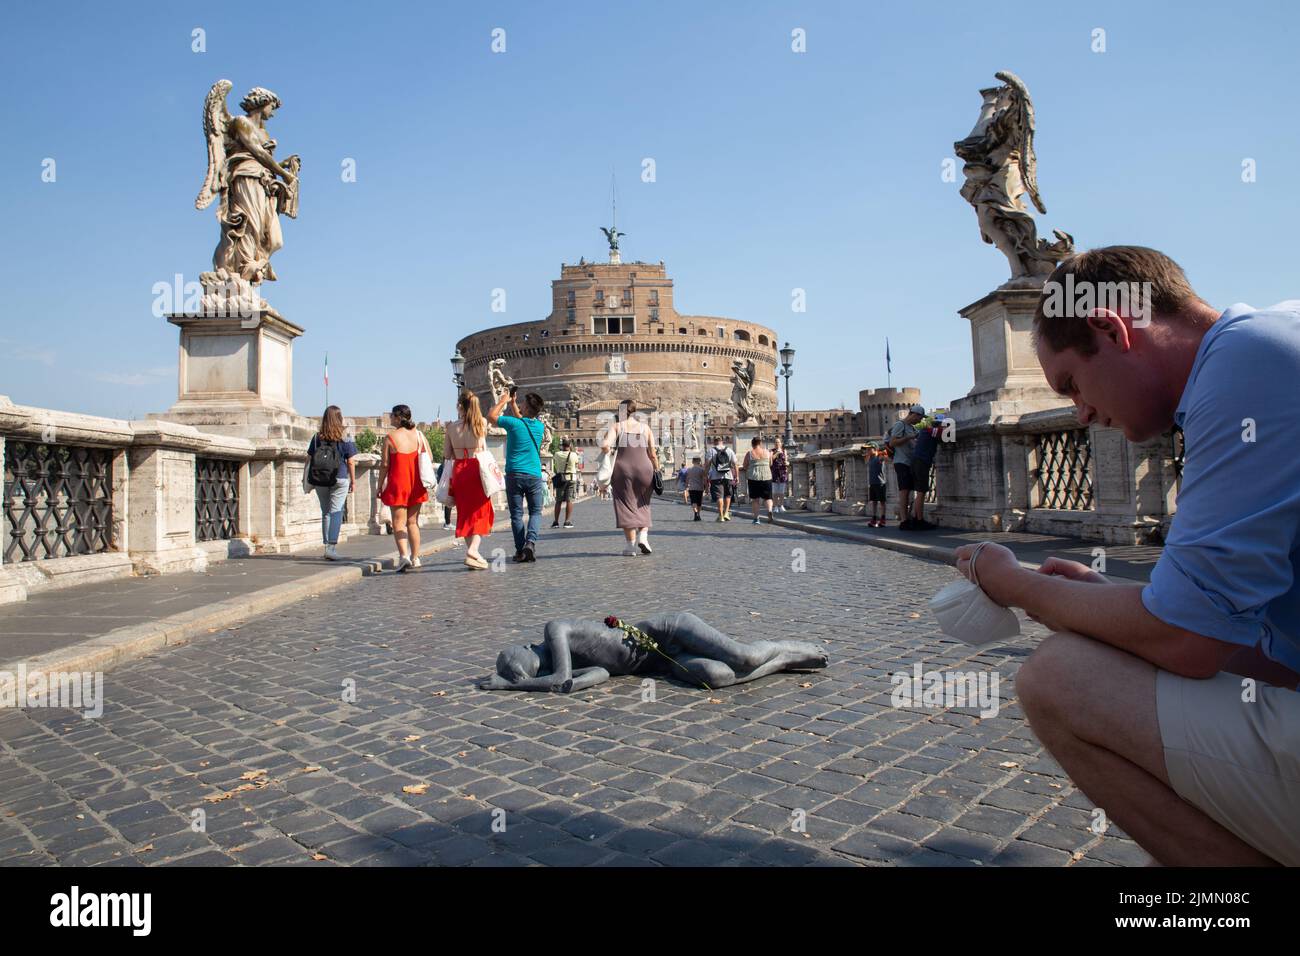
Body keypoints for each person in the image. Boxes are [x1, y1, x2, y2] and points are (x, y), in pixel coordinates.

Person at [955, 245, 1300, 866]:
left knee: (1057, 679)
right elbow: (1241, 640)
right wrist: (1108, 601)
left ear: (1112, 329)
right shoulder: (1268, 341)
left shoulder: (1246, 371)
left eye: (1070, 385)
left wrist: (1015, 586)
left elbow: (1186, 643)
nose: (1082, 412)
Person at [488, 387, 546, 563]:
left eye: (522, 404)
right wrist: (514, 404)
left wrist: (503, 401)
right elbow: (523, 421)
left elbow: (491, 417)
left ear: (527, 408)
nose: (520, 405)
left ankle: (520, 550)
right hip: (534, 475)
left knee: (516, 515)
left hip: (514, 474)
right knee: (535, 512)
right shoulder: (539, 427)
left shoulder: (514, 424)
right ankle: (530, 543)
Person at [600, 399, 658, 555]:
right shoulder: (645, 428)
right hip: (645, 469)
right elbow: (652, 453)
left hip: (623, 470)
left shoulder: (617, 426)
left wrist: (609, 452)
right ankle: (643, 537)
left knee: (625, 504)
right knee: (643, 503)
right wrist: (657, 469)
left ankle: (630, 546)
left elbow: (605, 445)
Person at [443, 391, 493, 570]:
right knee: (481, 511)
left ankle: (474, 554)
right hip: (476, 470)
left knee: (464, 513)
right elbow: (483, 447)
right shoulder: (481, 423)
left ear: (459, 406)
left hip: (459, 471)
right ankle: (473, 550)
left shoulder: (450, 427)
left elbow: (447, 455)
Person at [376, 404, 429, 572]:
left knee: (398, 523)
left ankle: (403, 556)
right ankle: (416, 557)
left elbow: (384, 465)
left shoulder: (390, 438)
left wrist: (379, 485)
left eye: (392, 415)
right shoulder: (419, 435)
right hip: (416, 483)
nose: (390, 418)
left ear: (398, 418)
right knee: (413, 522)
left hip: (398, 483)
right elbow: (429, 456)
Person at [306, 405, 357, 560]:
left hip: (320, 479)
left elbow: (308, 459)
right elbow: (351, 462)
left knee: (326, 512)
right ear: (340, 418)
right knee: (336, 512)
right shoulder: (345, 438)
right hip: (339, 477)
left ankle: (326, 545)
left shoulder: (316, 438)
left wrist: (307, 478)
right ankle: (331, 547)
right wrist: (353, 481)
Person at [887, 403, 925, 530]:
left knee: (910, 491)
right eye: (920, 417)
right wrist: (909, 437)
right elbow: (893, 442)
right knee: (904, 492)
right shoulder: (900, 425)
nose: (920, 420)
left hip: (910, 462)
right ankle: (903, 520)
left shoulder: (912, 428)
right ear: (914, 414)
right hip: (901, 462)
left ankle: (911, 517)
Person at [909, 416, 939, 530]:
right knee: (921, 492)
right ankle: (919, 520)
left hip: (916, 462)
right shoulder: (930, 431)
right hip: (921, 462)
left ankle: (916, 518)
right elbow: (947, 433)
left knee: (919, 491)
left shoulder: (923, 432)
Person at [742, 436, 775, 524]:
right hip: (767, 477)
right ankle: (770, 510)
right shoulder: (767, 452)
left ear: (752, 444)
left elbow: (744, 466)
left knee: (755, 499)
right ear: (760, 443)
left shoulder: (750, 453)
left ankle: (756, 519)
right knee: (768, 498)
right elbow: (770, 464)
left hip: (754, 478)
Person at [550, 438, 579, 529]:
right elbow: (576, 464)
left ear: (562, 445)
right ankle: (567, 521)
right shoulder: (574, 455)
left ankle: (556, 522)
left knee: (558, 501)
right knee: (569, 500)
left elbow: (555, 463)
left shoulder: (557, 454)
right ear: (570, 445)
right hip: (571, 479)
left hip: (560, 479)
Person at [707, 436, 736, 522]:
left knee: (719, 496)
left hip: (716, 476)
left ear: (714, 442)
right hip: (728, 476)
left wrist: (705, 476)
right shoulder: (729, 450)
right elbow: (735, 464)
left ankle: (721, 516)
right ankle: (726, 513)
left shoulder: (711, 451)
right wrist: (737, 476)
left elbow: (707, 465)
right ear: (722, 441)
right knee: (728, 495)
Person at [867, 445, 887, 528]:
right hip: (872, 483)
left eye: (869, 449)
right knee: (874, 502)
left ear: (875, 449)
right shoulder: (870, 458)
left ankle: (883, 519)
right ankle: (874, 518)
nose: (867, 450)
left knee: (882, 502)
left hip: (880, 483)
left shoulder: (879, 457)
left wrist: (882, 454)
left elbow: (885, 458)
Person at [770, 436, 790, 512]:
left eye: (778, 442)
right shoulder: (772, 451)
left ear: (781, 443)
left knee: (781, 491)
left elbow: (786, 460)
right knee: (775, 492)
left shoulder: (784, 451)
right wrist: (777, 452)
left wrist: (787, 463)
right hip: (774, 472)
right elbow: (771, 459)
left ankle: (781, 505)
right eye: (776, 442)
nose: (777, 443)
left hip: (782, 472)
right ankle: (775, 507)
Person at [684, 456, 707, 522]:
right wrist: (707, 487)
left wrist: (686, 485)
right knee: (699, 502)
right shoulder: (702, 470)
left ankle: (696, 514)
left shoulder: (689, 470)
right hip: (700, 488)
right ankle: (698, 514)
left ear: (692, 462)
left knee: (693, 502)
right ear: (699, 462)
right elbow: (705, 479)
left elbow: (687, 478)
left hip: (692, 488)